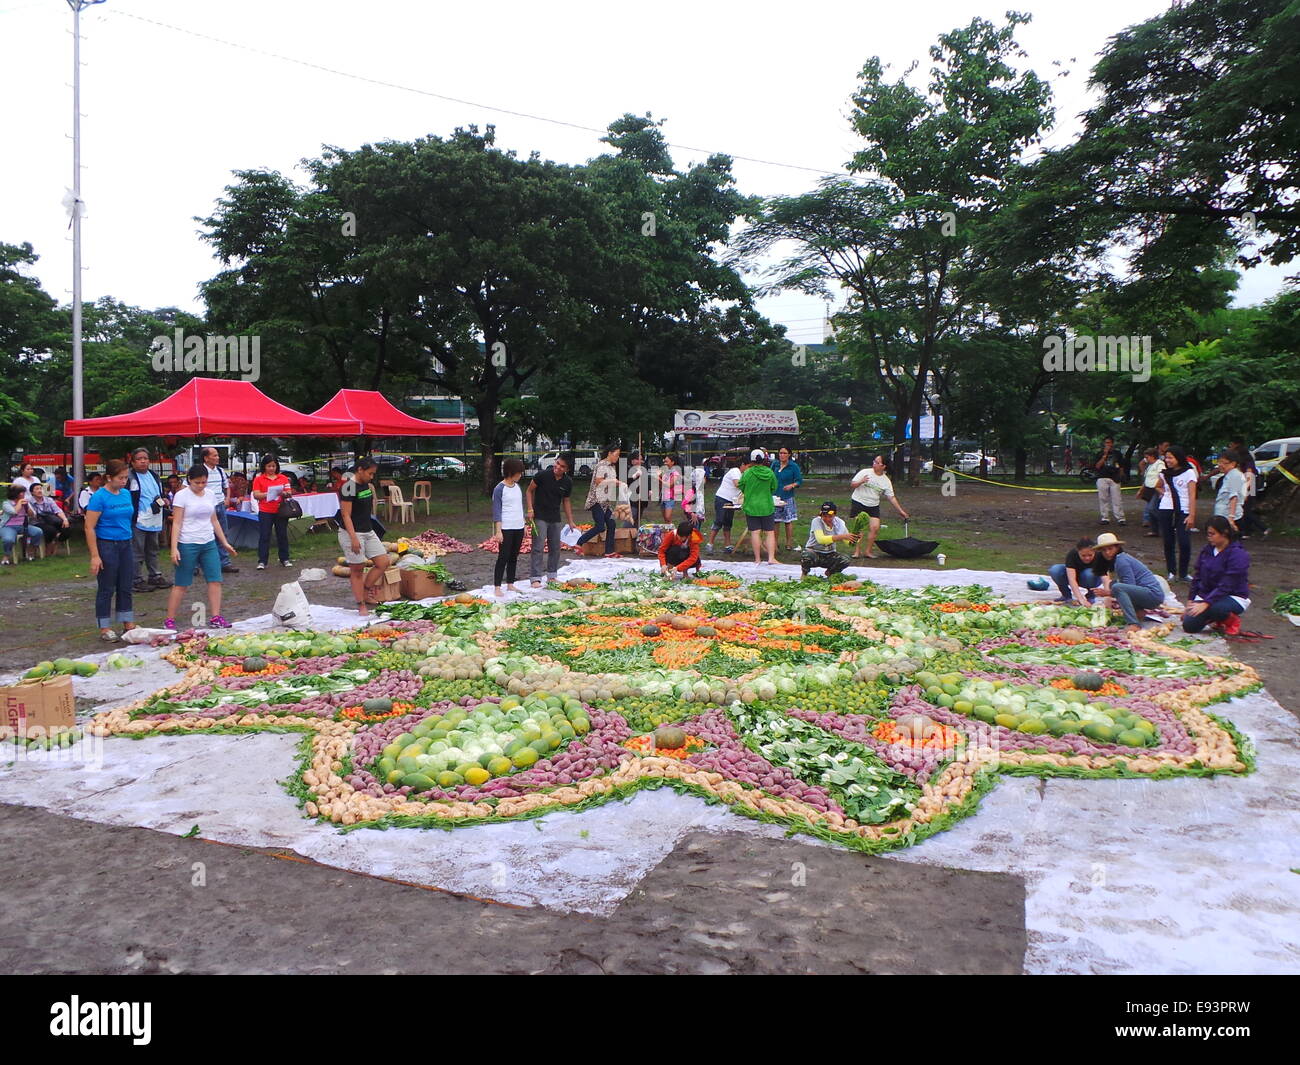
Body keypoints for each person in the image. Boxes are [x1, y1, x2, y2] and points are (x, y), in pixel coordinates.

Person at [163, 464, 238, 630]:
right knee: (182, 583)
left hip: (208, 541)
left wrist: (224, 542)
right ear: (189, 480)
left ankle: (216, 617)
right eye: (197, 482)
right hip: (187, 542)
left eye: (204, 482)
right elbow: (176, 522)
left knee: (215, 579)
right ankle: (169, 619)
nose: (201, 486)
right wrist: (174, 548)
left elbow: (214, 520)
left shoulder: (210, 494)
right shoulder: (181, 496)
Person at [83, 459, 137, 640]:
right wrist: (95, 555)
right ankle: (104, 626)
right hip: (107, 544)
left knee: (126, 584)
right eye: (120, 478)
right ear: (109, 477)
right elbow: (89, 527)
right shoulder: (99, 497)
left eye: (126, 478)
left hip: (125, 543)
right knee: (107, 586)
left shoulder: (126, 494)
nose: (124, 481)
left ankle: (127, 621)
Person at [336, 457, 389, 616]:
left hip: (368, 530)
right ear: (360, 470)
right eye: (370, 473)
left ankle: (366, 590)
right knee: (357, 569)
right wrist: (353, 538)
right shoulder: (348, 487)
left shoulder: (365, 483)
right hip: (352, 532)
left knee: (383, 562)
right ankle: (361, 604)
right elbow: (346, 515)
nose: (371, 477)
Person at [1182, 516, 1251, 635]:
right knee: (1189, 625)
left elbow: (1228, 584)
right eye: (1208, 534)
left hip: (1233, 595)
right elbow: (1197, 576)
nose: (1209, 538)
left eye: (1212, 534)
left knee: (1215, 608)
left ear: (1224, 533)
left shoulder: (1238, 554)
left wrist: (1206, 603)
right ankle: (1214, 619)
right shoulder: (1206, 551)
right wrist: (1191, 599)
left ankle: (1231, 619)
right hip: (1207, 594)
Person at [1091, 532, 1167, 631]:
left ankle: (1133, 623)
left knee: (1117, 587)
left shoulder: (1121, 561)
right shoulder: (1119, 559)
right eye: (1104, 550)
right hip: (1146, 593)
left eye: (1110, 549)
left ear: (1117, 548)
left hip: (1153, 595)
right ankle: (1139, 611)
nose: (1107, 553)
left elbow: (1128, 586)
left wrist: (1108, 593)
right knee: (1114, 584)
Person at [526, 453, 575, 588]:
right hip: (540, 516)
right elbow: (529, 491)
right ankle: (535, 577)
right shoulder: (542, 475)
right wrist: (530, 509)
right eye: (557, 463)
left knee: (555, 548)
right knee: (538, 547)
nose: (557, 467)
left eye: (562, 466)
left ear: (567, 469)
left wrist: (570, 520)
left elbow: (566, 501)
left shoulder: (567, 482)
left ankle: (552, 576)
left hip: (555, 517)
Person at [126, 448, 170, 593]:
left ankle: (155, 575)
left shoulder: (154, 475)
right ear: (132, 462)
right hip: (138, 519)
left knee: (153, 549)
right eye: (139, 458)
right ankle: (136, 579)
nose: (143, 461)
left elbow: (160, 493)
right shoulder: (129, 477)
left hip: (154, 518)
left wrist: (164, 500)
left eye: (145, 458)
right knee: (137, 550)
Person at [849, 455, 909, 559]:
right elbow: (853, 485)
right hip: (859, 501)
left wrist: (901, 511)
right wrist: (861, 481)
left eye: (877, 462)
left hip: (873, 505)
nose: (874, 464)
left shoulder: (886, 481)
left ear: (883, 466)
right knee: (859, 528)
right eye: (874, 461)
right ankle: (856, 552)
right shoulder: (865, 472)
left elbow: (891, 497)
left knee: (875, 528)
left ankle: (868, 551)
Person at [1156, 445, 1197, 582]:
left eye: (1170, 457)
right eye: (1166, 457)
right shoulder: (1164, 473)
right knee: (1168, 541)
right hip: (1166, 508)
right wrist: (1165, 494)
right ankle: (1171, 571)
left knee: (1184, 542)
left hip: (1183, 509)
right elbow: (1158, 485)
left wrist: (1192, 515)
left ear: (1178, 458)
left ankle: (1184, 572)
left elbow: (1192, 495)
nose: (1168, 460)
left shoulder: (1189, 472)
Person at [575, 445, 622, 559]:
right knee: (600, 526)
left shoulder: (612, 467)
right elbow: (598, 481)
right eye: (616, 455)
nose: (617, 457)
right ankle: (579, 543)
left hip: (605, 501)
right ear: (609, 453)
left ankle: (609, 551)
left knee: (611, 523)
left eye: (618, 455)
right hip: (597, 500)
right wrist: (613, 481)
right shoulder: (601, 465)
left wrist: (617, 484)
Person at [491, 457, 527, 596]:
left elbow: (519, 506)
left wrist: (523, 524)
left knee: (514, 556)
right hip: (506, 527)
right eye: (519, 472)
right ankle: (497, 586)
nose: (520, 475)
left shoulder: (517, 487)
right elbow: (497, 511)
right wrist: (498, 531)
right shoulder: (499, 489)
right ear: (511, 472)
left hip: (518, 526)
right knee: (503, 556)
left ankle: (510, 583)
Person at [252, 455, 294, 570]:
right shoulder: (259, 479)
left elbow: (289, 492)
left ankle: (285, 558)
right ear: (264, 467)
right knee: (265, 536)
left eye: (273, 466)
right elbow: (256, 494)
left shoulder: (283, 478)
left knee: (282, 535)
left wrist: (284, 493)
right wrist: (268, 494)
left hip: (281, 511)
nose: (271, 468)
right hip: (265, 511)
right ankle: (262, 561)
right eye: (269, 466)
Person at [200, 447, 238, 573]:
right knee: (203, 535)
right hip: (205, 508)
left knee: (222, 534)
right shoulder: (199, 471)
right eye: (214, 455)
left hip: (220, 505)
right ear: (206, 458)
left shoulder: (221, 471)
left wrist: (227, 498)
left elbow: (226, 487)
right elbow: (187, 486)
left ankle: (224, 562)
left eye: (217, 455)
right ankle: (198, 564)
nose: (217, 458)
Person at [739, 449, 779, 565]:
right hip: (766, 505)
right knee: (769, 532)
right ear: (764, 459)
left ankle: (757, 559)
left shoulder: (748, 473)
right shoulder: (769, 472)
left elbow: (741, 485)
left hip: (751, 506)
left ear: (751, 460)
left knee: (755, 532)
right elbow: (774, 487)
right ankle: (771, 558)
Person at [801, 501, 858, 576]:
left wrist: (856, 538)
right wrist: (843, 536)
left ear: (835, 515)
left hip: (830, 554)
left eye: (830, 516)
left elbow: (849, 543)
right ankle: (804, 574)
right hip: (814, 552)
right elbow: (821, 540)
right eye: (824, 516)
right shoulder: (816, 521)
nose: (827, 519)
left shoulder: (840, 523)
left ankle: (830, 573)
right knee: (806, 555)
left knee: (845, 559)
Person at [1229, 440, 1269, 538]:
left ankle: (1263, 528)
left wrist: (1245, 491)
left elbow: (1249, 475)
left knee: (1246, 510)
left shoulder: (1246, 461)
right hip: (1248, 485)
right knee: (1245, 509)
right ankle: (1247, 531)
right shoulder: (1246, 460)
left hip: (1249, 485)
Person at [1048, 537, 1102, 605]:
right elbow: (1071, 579)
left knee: (1090, 574)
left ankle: (1091, 596)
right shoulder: (1072, 554)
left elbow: (1106, 577)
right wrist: (1081, 599)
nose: (1087, 558)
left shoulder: (1100, 556)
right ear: (1078, 552)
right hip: (1075, 576)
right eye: (1083, 555)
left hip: (1090, 578)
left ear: (1095, 551)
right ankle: (1066, 595)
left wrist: (1108, 597)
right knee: (1055, 570)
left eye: (1090, 555)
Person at [707, 459, 744, 554]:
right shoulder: (735, 471)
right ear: (743, 464)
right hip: (722, 498)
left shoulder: (743, 474)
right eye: (748, 467)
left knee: (728, 522)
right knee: (719, 520)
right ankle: (710, 544)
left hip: (731, 500)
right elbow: (737, 484)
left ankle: (727, 545)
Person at [772, 446, 804, 552]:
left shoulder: (793, 466)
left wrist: (792, 485)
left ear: (789, 454)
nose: (782, 455)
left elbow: (799, 480)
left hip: (787, 496)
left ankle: (789, 543)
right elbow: (770, 476)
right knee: (775, 521)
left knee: (788, 520)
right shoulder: (775, 464)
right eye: (780, 453)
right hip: (775, 496)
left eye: (784, 453)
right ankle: (775, 543)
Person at [1, 486, 43, 564]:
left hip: (23, 526)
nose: (23, 494)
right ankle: (6, 556)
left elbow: (33, 515)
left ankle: (31, 551)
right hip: (8, 526)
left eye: (23, 492)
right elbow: (14, 512)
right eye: (21, 492)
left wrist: (27, 507)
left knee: (38, 532)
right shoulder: (6, 503)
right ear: (15, 494)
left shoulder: (25, 502)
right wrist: (20, 503)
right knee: (8, 540)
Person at [29, 482, 70, 556]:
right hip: (37, 522)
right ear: (32, 492)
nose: (39, 491)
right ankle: (49, 547)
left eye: (41, 489)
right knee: (51, 530)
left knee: (66, 527)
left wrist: (65, 519)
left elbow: (58, 510)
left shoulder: (49, 500)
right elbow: (32, 515)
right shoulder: (29, 501)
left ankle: (55, 544)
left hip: (50, 520)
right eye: (37, 489)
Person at [1213, 450, 1246, 534]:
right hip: (1223, 515)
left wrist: (1231, 518)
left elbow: (1234, 497)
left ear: (1233, 463)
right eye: (1219, 462)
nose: (1220, 465)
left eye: (1224, 463)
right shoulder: (1229, 475)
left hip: (1229, 517)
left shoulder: (1235, 475)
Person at [1094, 436, 1125, 525]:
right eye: (1106, 443)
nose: (1108, 445)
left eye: (1109, 443)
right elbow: (1097, 466)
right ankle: (1105, 517)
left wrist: (1121, 476)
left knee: (1117, 498)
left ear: (1112, 443)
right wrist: (1104, 455)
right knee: (1103, 498)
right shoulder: (1100, 454)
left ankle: (1120, 518)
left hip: (1114, 478)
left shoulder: (1117, 454)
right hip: (1102, 477)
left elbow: (1121, 466)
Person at [1137, 448, 1162, 535]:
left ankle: (1165, 525)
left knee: (1152, 508)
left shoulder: (1160, 464)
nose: (1146, 459)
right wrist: (1141, 490)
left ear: (1152, 456)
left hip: (1156, 490)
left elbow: (1162, 476)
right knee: (1151, 510)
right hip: (1149, 489)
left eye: (1147, 457)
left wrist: (1158, 487)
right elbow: (1147, 479)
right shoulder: (1150, 465)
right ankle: (1155, 530)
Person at [659, 452, 683, 523]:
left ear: (672, 462)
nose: (665, 463)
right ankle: (668, 532)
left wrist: (659, 478)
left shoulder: (676, 473)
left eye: (667, 461)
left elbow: (670, 485)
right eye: (664, 461)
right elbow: (661, 484)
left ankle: (673, 532)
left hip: (670, 497)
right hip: (663, 497)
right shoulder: (665, 471)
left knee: (668, 517)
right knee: (665, 519)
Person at [687, 462, 707, 530]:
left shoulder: (700, 490)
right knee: (694, 533)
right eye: (704, 477)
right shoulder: (692, 491)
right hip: (694, 516)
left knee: (697, 533)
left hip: (698, 516)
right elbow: (685, 504)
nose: (705, 480)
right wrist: (692, 513)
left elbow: (700, 504)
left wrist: (702, 515)